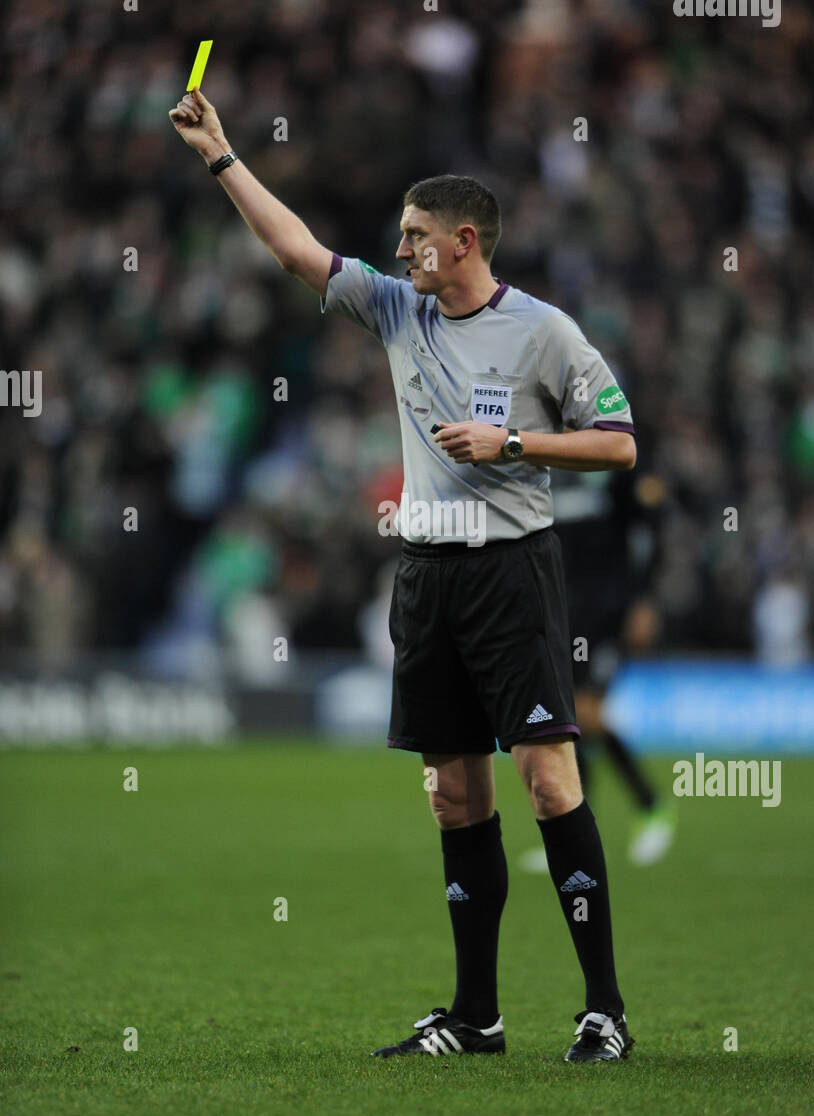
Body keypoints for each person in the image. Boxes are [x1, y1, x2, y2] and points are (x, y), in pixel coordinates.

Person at [169, 87, 638, 1064]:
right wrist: (220, 154)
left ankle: (603, 1010)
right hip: (425, 581)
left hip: (513, 572)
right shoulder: (394, 308)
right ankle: (477, 1016)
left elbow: (620, 445)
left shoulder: (544, 332)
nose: (401, 250)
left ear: (465, 241)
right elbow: (297, 250)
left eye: (415, 236)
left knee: (548, 779)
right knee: (452, 794)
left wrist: (512, 440)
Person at [551, 465, 677, 865]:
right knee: (566, 717)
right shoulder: (544, 463)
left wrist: (645, 600)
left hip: (608, 611)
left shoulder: (613, 464)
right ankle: (577, 834)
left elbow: (650, 531)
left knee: (587, 712)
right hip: (562, 610)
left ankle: (651, 803)